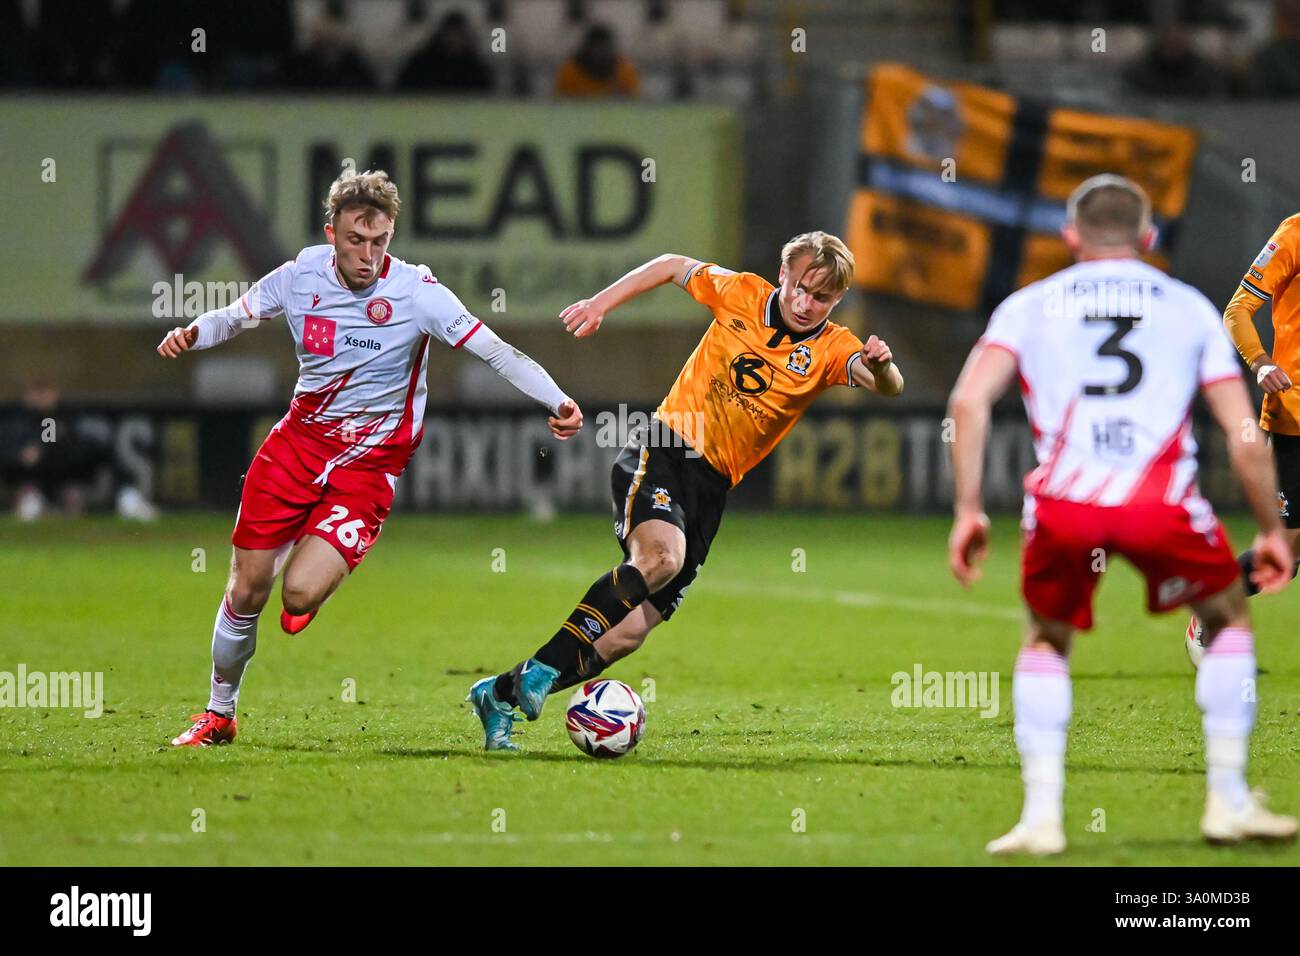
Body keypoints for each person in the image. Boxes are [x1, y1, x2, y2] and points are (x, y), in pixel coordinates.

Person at [159, 169, 582, 747]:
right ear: (330, 233)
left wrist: (556, 399)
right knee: (245, 592)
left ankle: (320, 561)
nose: (368, 254)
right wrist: (193, 333)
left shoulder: (418, 293)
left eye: (379, 241)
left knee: (299, 594)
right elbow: (234, 316)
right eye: (356, 240)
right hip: (296, 446)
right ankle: (219, 713)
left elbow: (495, 351)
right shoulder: (300, 274)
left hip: (370, 465)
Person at [947, 174, 1297, 855]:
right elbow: (1244, 434)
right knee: (1227, 616)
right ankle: (1226, 802)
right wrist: (1273, 530)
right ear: (1150, 237)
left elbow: (967, 403)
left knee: (1047, 639)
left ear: (1069, 236)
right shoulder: (1186, 306)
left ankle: (1041, 819)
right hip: (1160, 501)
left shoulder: (1029, 304)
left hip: (1065, 504)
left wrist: (968, 509)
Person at [469, 231, 904, 750]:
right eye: (803, 289)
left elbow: (885, 384)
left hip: (712, 489)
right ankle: (539, 673)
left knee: (628, 634)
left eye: (824, 298)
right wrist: (601, 303)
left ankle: (499, 693)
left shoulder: (832, 347)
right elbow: (673, 265)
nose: (809, 304)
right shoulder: (740, 292)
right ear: (784, 275)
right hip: (665, 448)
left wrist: (882, 366)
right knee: (661, 557)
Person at [1185, 211, 1300, 663]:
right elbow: (1238, 310)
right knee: (1286, 557)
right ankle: (1210, 615)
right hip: (1296, 415)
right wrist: (1260, 361)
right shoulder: (1294, 233)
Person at [0, 378, 157, 521]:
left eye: (48, 392)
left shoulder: (60, 415)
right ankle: (34, 497)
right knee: (42, 456)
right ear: (29, 395)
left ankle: (127, 498)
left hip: (64, 468)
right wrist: (19, 453)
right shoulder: (15, 417)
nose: (44, 398)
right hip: (27, 472)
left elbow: (64, 442)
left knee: (98, 449)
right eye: (39, 392)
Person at [397, 10, 494, 93]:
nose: (454, 39)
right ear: (441, 35)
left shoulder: (475, 65)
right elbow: (405, 89)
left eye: (458, 35)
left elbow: (484, 92)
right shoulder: (422, 63)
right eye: (450, 35)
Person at [553, 24, 641, 98]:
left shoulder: (625, 71)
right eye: (596, 49)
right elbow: (560, 101)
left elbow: (634, 101)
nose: (599, 54)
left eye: (604, 49)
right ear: (586, 49)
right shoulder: (569, 71)